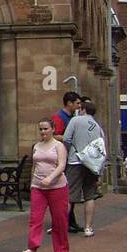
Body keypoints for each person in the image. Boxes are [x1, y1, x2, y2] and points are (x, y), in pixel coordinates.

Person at [20, 119, 69, 252]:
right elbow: (34, 166)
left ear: (53, 129)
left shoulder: (59, 146)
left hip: (57, 187)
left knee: (59, 219)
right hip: (38, 187)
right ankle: (32, 248)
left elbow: (61, 165)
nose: (43, 132)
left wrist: (50, 178)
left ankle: (62, 249)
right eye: (41, 129)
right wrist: (32, 183)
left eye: (46, 129)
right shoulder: (36, 146)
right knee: (35, 219)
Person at [63, 99, 105, 237]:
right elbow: (102, 151)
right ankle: (88, 228)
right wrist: (100, 171)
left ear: (84, 110)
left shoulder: (75, 121)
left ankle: (61, 226)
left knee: (69, 196)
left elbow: (66, 138)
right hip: (91, 165)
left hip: (75, 162)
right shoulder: (99, 127)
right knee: (89, 196)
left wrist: (70, 151)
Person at [51, 91, 82, 231]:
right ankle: (64, 221)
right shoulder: (59, 117)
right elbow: (55, 135)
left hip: (71, 157)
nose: (79, 106)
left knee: (70, 190)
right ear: (69, 103)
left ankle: (70, 219)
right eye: (77, 103)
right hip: (63, 157)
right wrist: (68, 138)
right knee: (65, 191)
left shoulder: (73, 117)